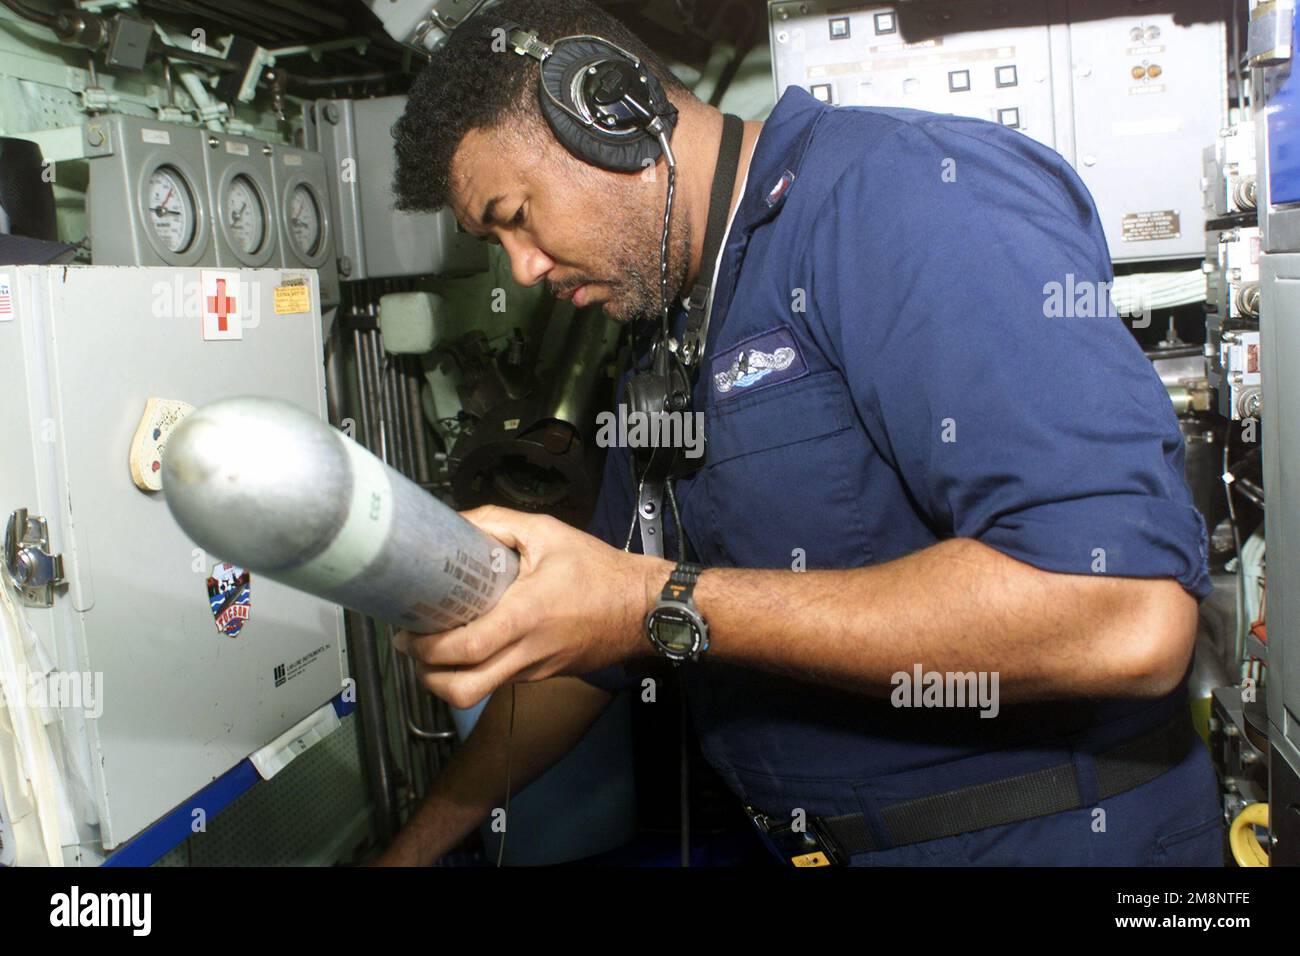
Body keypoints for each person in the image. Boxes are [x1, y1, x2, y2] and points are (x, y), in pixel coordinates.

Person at [380, 0, 1223, 866]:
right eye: (495, 243)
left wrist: (656, 603)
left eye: (516, 213)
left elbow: (1123, 613)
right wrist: (410, 854)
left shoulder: (902, 196)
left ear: (608, 109)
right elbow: (588, 648)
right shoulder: (670, 334)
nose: (523, 268)